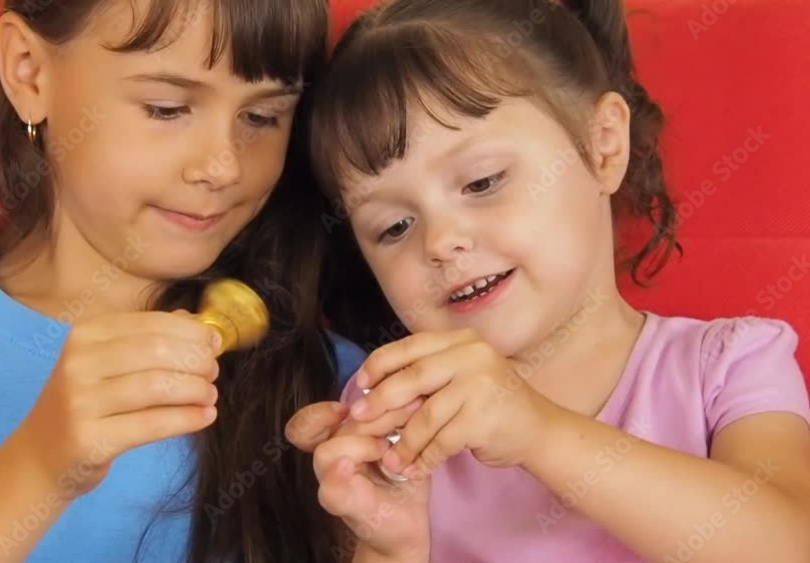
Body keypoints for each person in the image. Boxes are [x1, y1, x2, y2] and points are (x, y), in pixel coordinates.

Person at [0, 1, 367, 562]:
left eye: (263, 117)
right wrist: (39, 467)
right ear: (28, 70)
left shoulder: (339, 386)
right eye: (167, 108)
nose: (223, 167)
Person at [287, 1, 810, 562]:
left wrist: (538, 434)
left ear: (603, 144)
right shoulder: (397, 417)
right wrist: (389, 548)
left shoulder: (726, 367)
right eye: (393, 227)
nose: (440, 243)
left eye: (483, 181)